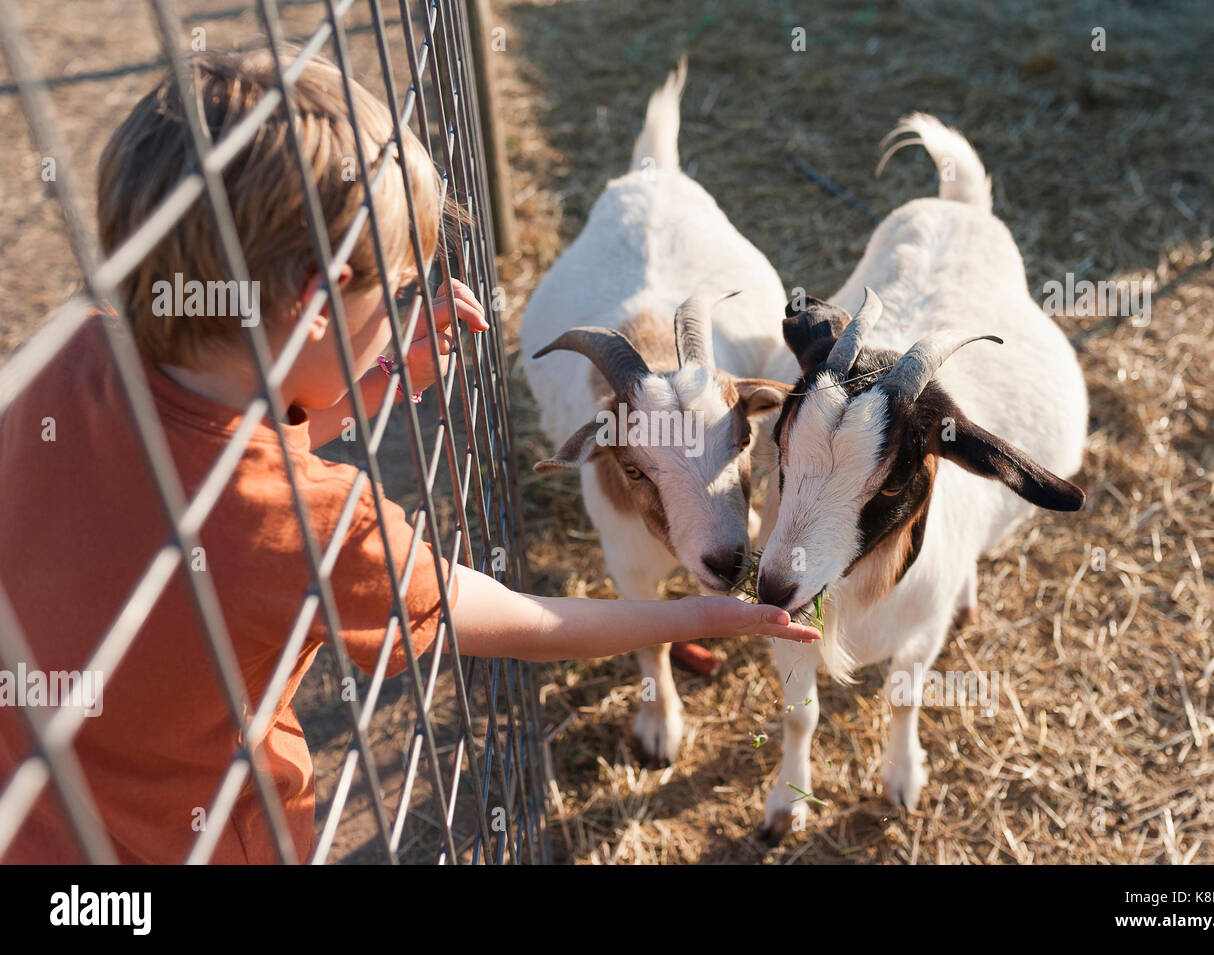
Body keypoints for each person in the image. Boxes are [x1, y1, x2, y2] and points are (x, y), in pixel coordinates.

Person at [0, 50, 815, 864]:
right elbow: (521, 619)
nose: (402, 311)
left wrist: (380, 371)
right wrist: (691, 616)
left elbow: (214, 441)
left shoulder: (71, 350)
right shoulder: (318, 527)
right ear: (319, 301)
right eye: (392, 294)